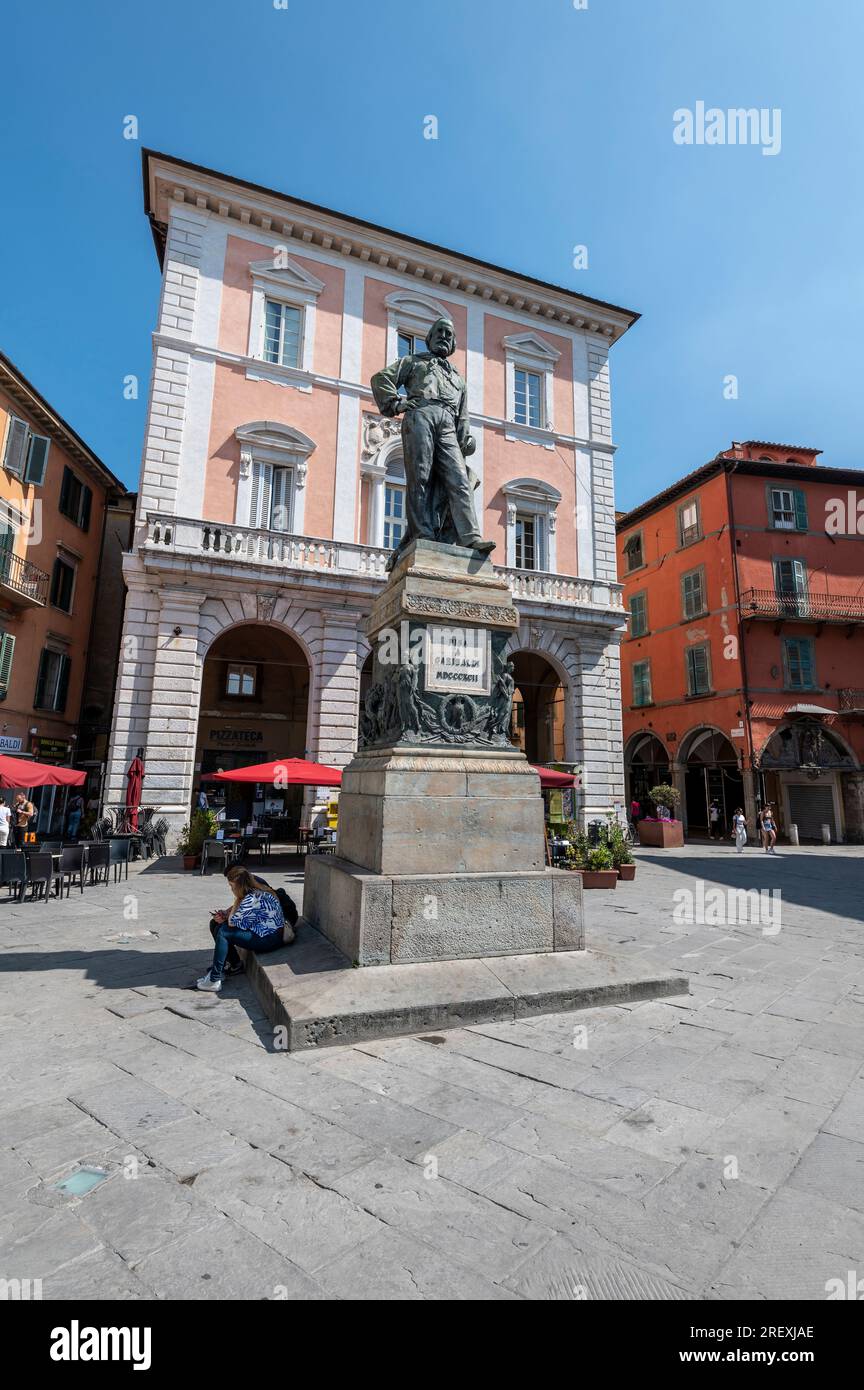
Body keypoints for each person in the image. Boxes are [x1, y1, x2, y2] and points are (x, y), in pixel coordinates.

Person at [371, 317, 495, 568]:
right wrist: (397, 403)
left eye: (449, 334)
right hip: (421, 415)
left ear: (453, 344)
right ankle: (423, 533)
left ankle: (470, 537)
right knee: (421, 477)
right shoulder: (414, 362)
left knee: (459, 479)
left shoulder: (458, 380)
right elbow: (381, 379)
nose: (443, 336)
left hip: (447, 422)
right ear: (429, 338)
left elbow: (463, 415)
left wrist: (465, 439)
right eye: (439, 332)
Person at [196, 867, 286, 993]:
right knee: (215, 924)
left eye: (232, 886)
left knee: (224, 932)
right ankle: (233, 965)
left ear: (239, 886)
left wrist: (234, 902)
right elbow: (238, 915)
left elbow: (233, 922)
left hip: (270, 939)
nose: (231, 889)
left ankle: (214, 979)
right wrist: (224, 913)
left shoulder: (252, 898)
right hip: (264, 933)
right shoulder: (253, 892)